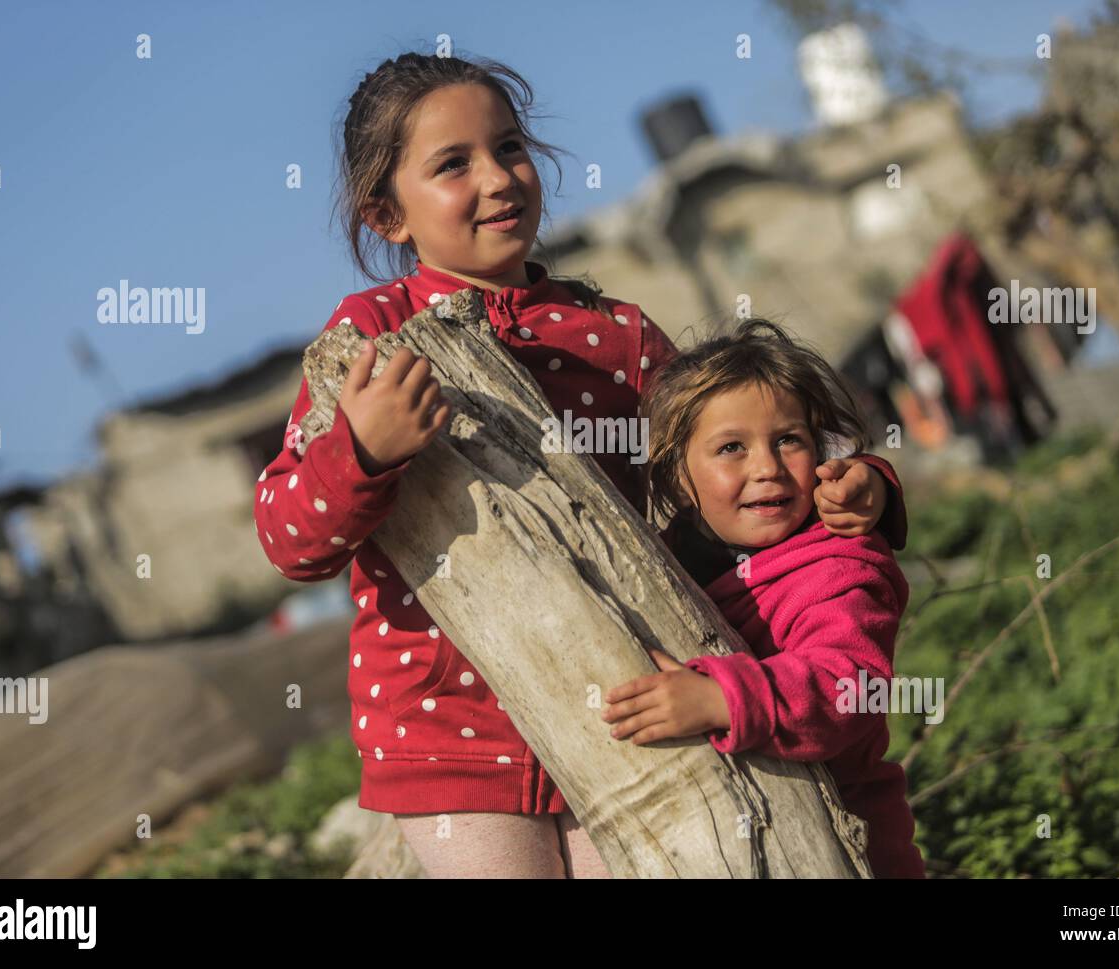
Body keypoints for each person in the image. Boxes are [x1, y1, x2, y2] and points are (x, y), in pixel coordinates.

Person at [253, 51, 908, 878]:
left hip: (613, 693)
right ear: (388, 214)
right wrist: (363, 450)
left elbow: (742, 449)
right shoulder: (368, 346)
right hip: (447, 730)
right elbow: (290, 538)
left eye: (510, 147)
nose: (498, 178)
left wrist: (861, 483)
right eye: (453, 164)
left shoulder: (615, 337)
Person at [603, 318, 926, 878]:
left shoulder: (839, 565)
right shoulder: (660, 564)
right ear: (678, 474)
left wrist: (726, 701)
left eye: (788, 440)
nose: (767, 468)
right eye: (731, 447)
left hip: (847, 847)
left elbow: (848, 686)